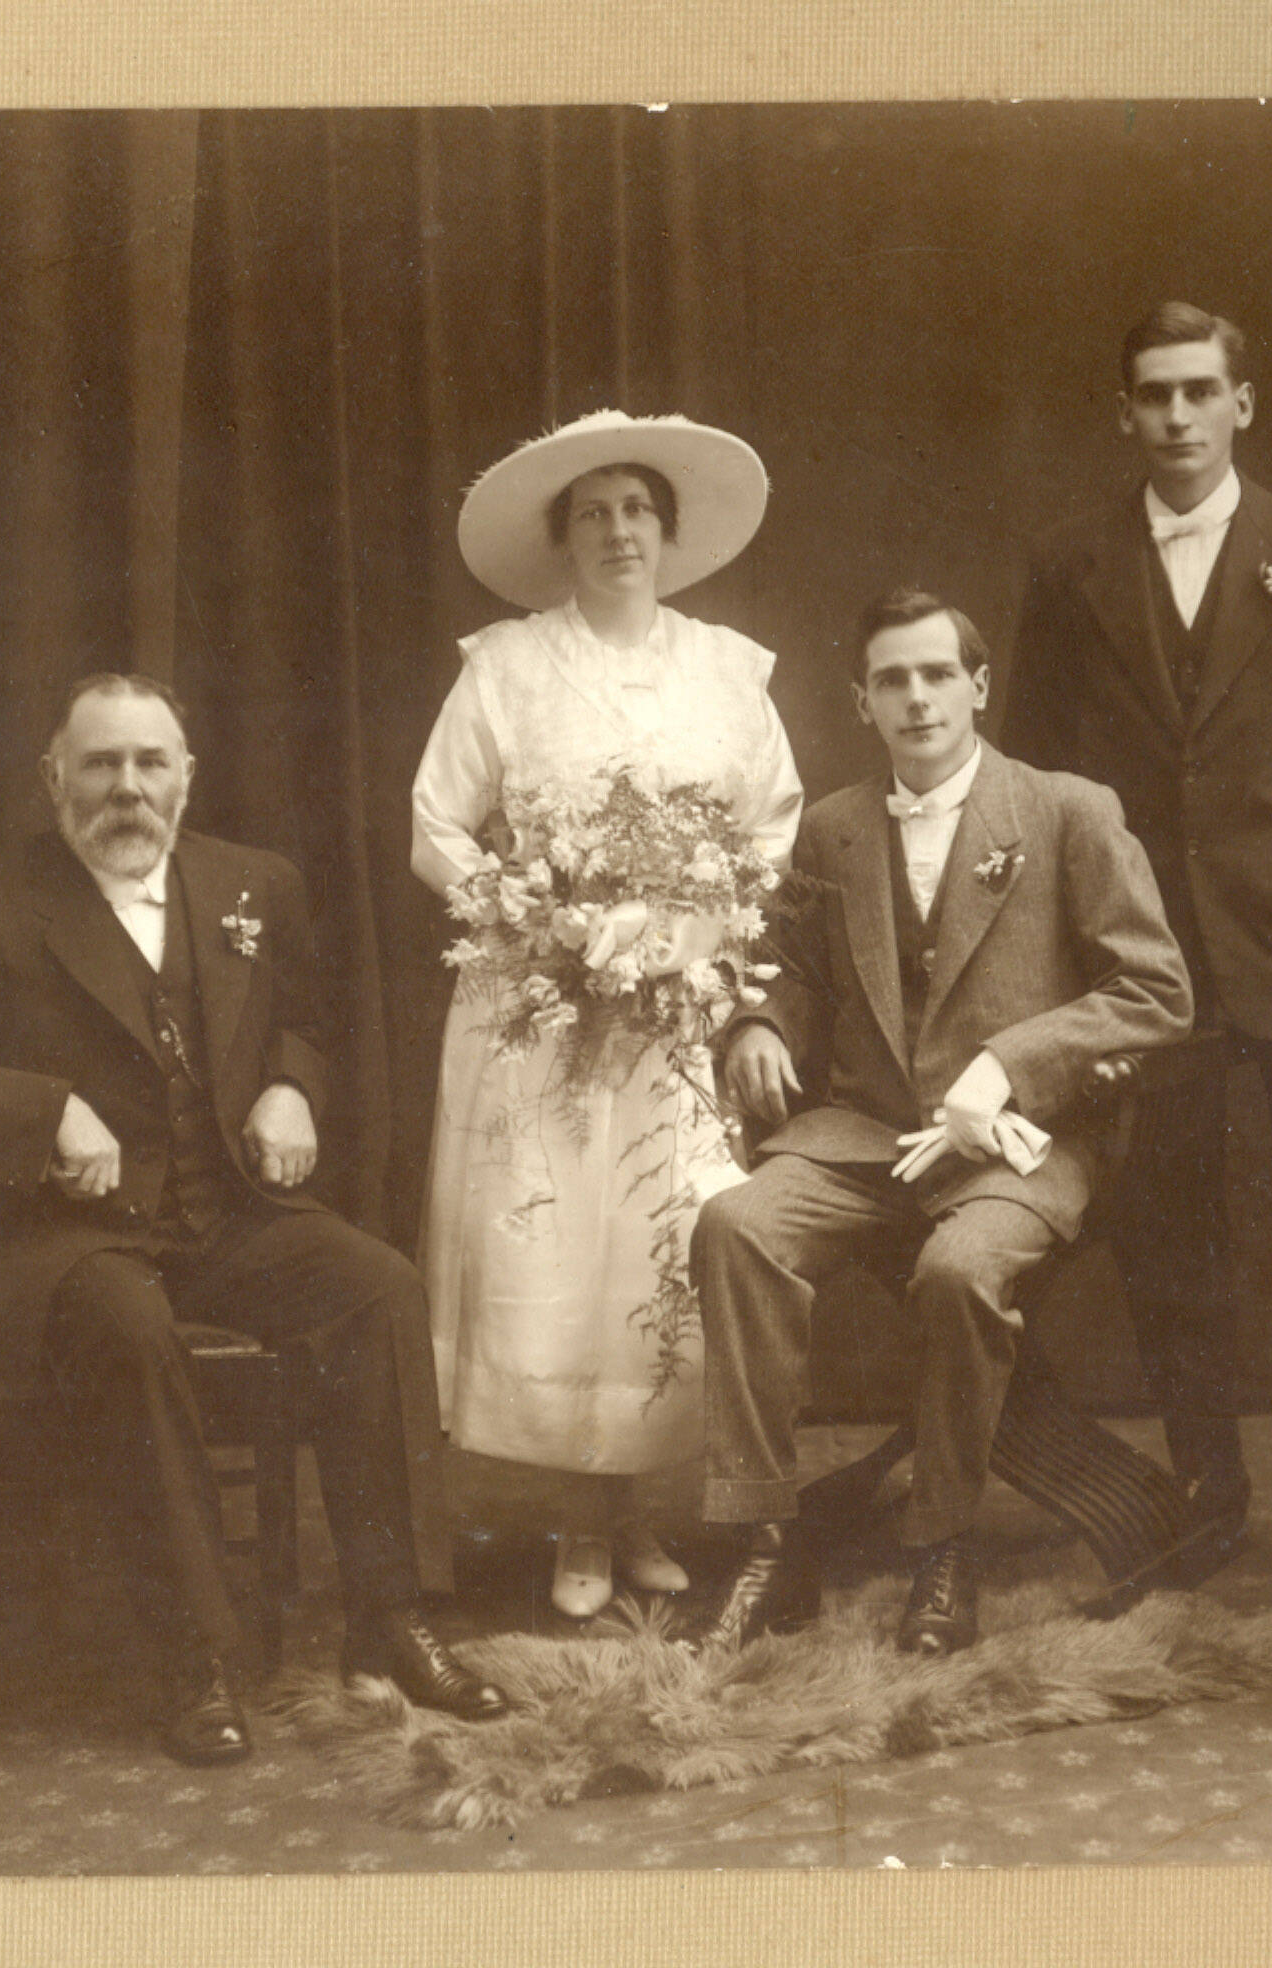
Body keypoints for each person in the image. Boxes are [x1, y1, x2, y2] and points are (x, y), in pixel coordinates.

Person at [0, 675, 507, 1767]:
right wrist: (45, 1112)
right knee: (132, 1328)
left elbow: (308, 1019)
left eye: (150, 763)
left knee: (378, 1286)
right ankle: (194, 1656)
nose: (128, 788)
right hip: (63, 1239)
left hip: (223, 1217)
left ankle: (391, 1619)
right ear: (53, 777)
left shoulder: (253, 884)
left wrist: (290, 1084)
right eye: (100, 763)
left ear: (186, 777)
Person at [682, 587, 1193, 1658]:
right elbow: (793, 970)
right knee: (735, 1227)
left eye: (936, 674)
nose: (916, 698)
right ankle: (764, 1543)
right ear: (861, 702)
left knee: (958, 1272)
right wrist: (759, 1024)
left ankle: (942, 1544)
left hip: (1018, 1146)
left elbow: (1154, 992)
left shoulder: (1065, 811)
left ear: (978, 687)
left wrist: (1007, 1066)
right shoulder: (834, 828)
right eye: (891, 680)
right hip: (865, 1133)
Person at [1004, 301, 1272, 1567]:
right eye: (1153, 394)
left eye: (1198, 390)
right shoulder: (1070, 563)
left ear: (1242, 402)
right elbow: (1037, 760)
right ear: (1122, 412)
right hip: (1146, 949)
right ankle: (1206, 1489)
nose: (1176, 415)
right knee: (1168, 1222)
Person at [411, 411, 803, 1620]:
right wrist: (539, 923)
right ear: (563, 540)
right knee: (556, 1254)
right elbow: (433, 823)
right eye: (592, 513)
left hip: (676, 1015)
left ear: (666, 532)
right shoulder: (507, 667)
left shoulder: (727, 669)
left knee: (659, 1247)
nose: (617, 531)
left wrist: (702, 935)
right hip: (544, 1014)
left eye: (636, 509)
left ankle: (641, 1516)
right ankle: (576, 1525)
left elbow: (772, 827)